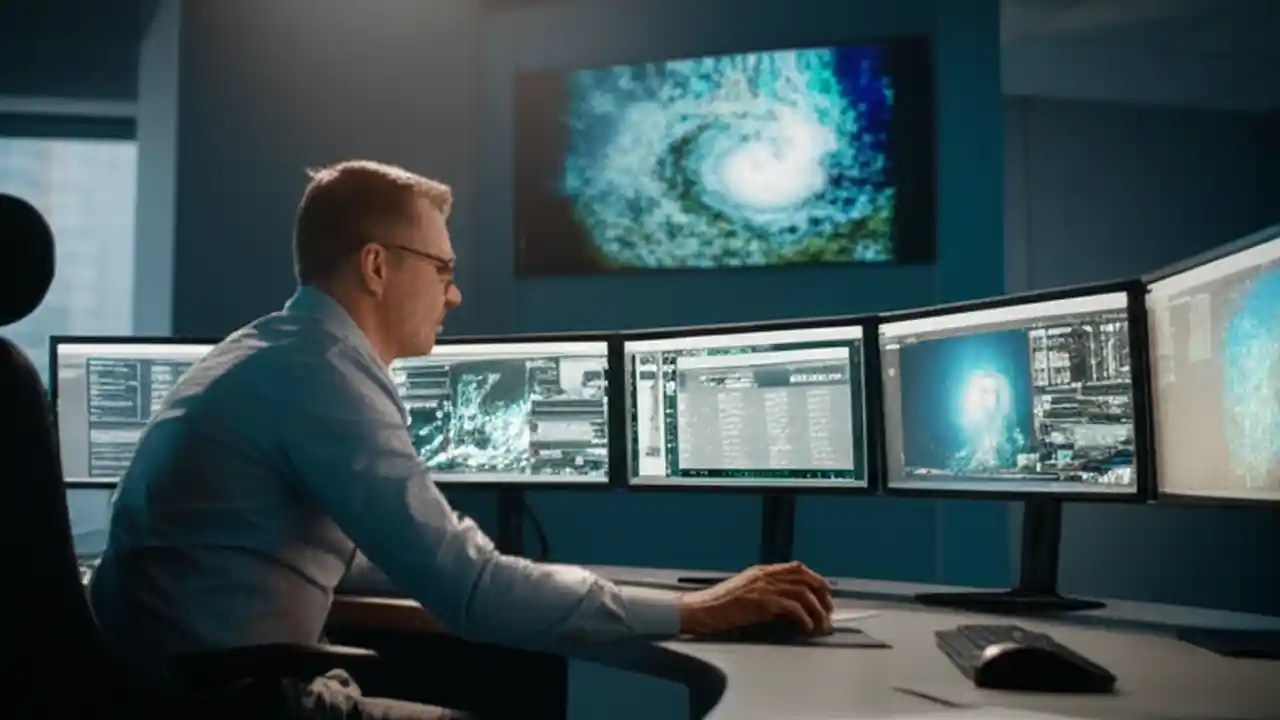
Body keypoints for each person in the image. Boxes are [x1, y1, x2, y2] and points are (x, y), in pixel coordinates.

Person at [89, 159, 834, 719]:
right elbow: (469, 591)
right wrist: (693, 610)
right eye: (442, 268)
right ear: (377, 266)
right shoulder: (319, 376)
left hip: (169, 687)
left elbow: (381, 559)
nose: (455, 293)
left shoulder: (271, 350)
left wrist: (497, 573)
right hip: (226, 703)